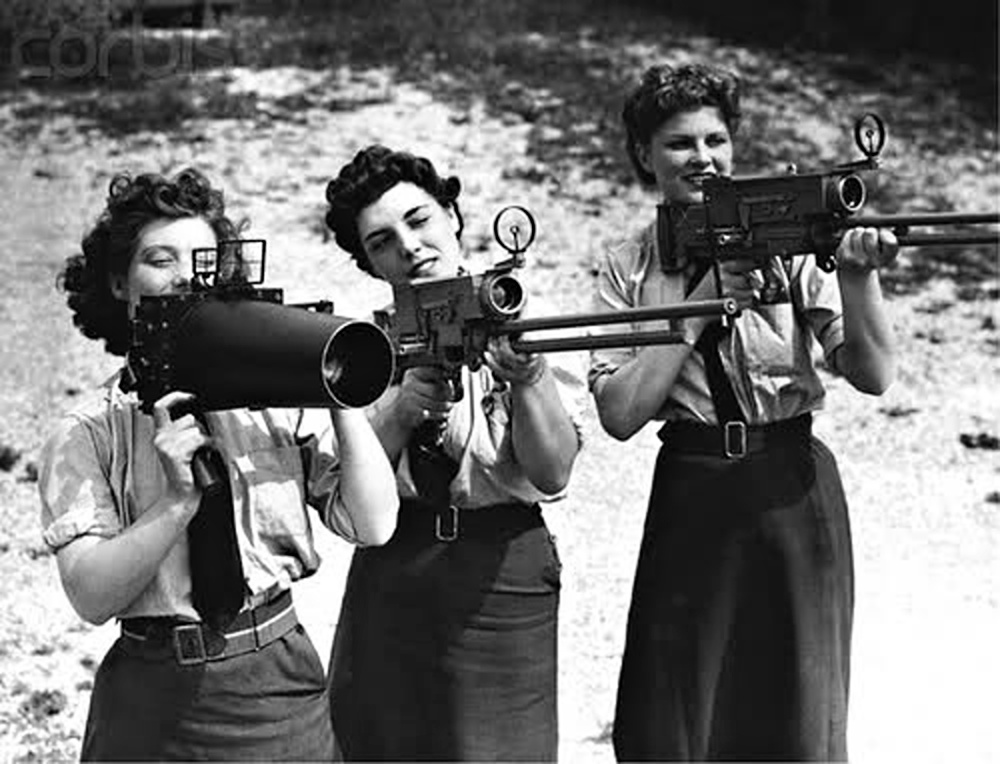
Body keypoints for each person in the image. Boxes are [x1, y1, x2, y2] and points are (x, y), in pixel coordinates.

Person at [588, 63, 898, 761]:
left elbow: (873, 373)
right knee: (674, 709)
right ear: (644, 155)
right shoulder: (631, 265)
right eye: (679, 143)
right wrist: (702, 302)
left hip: (790, 483)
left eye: (716, 139)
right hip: (693, 487)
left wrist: (857, 276)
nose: (703, 158)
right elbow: (618, 411)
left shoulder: (784, 237)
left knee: (796, 710)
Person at [38, 167, 399, 761]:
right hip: (157, 704)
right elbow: (91, 597)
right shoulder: (88, 434)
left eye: (204, 260)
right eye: (161, 259)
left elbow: (374, 524)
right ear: (120, 283)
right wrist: (175, 503)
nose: (186, 276)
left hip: (280, 684)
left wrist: (340, 395)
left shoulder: (269, 406)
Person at [323, 145, 585, 761]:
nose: (409, 247)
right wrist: (400, 408)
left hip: (500, 570)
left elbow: (552, 473)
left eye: (419, 221)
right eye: (383, 242)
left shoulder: (523, 317)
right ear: (368, 263)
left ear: (453, 217)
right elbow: (345, 494)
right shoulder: (362, 349)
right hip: (396, 570)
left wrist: (528, 379)